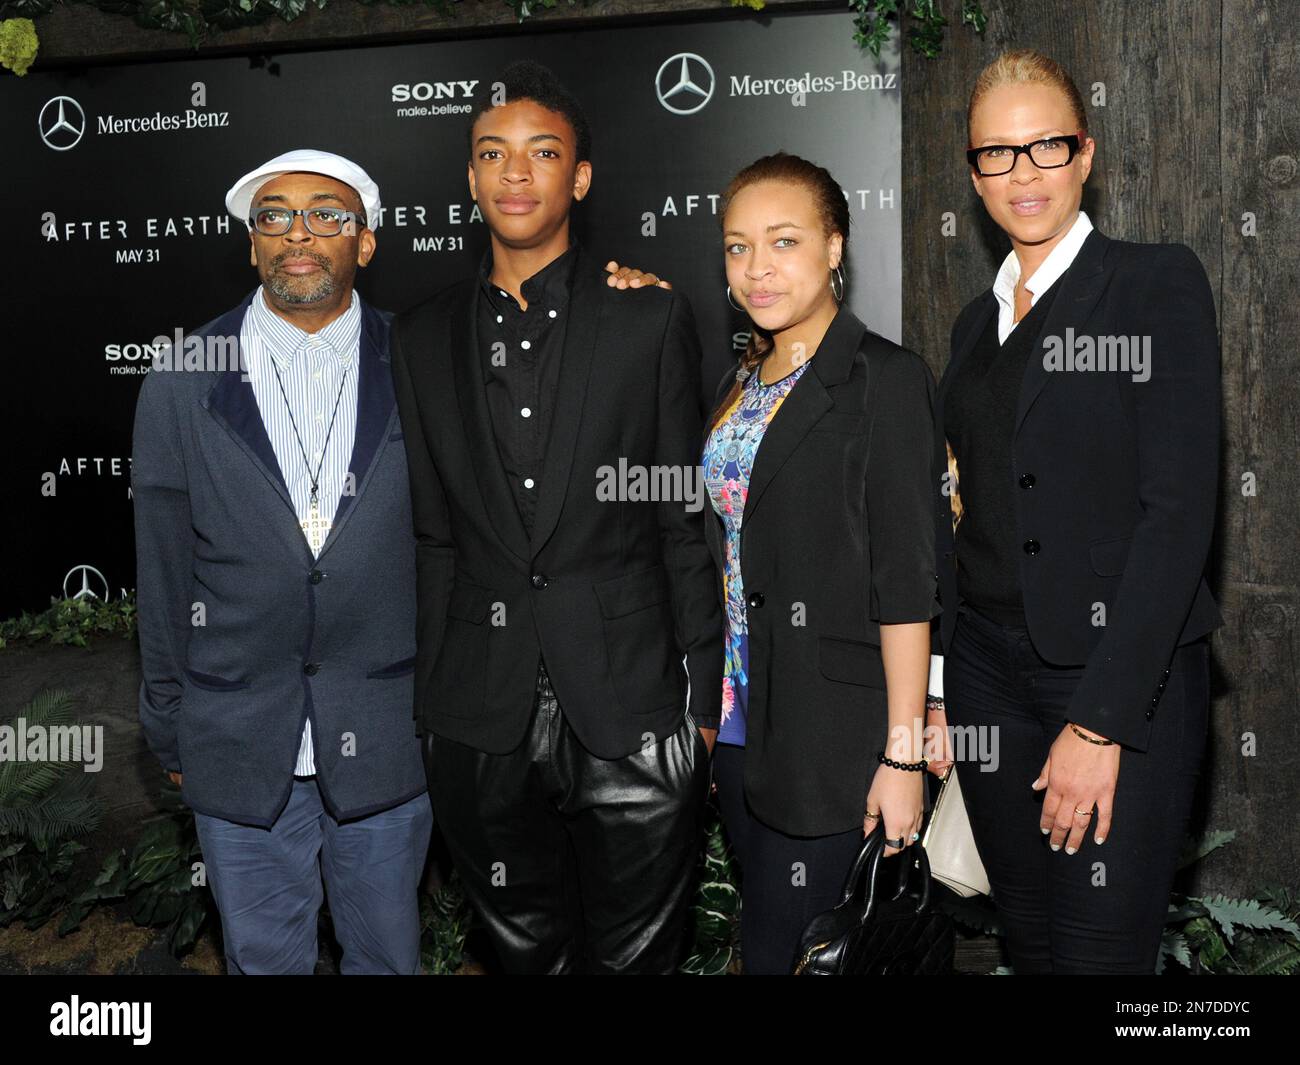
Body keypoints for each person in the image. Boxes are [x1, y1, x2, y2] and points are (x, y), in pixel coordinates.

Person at [389, 61, 722, 974]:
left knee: (640, 960)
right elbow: (432, 535)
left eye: (542, 154)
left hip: (633, 708)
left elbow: (678, 516)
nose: (515, 173)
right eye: (492, 154)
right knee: (519, 956)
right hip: (479, 715)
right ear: (470, 178)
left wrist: (701, 694)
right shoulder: (417, 338)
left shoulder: (647, 318)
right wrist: (433, 709)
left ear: (579, 177)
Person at [927, 49, 1222, 973]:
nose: (1024, 174)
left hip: (1114, 678)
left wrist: (1102, 724)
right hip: (986, 677)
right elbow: (961, 512)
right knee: (1032, 939)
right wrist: (940, 690)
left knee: (1100, 954)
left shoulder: (1153, 283)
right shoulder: (977, 324)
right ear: (973, 177)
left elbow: (1177, 520)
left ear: (1085, 153)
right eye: (997, 155)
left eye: (1046, 146)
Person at [132, 149, 433, 974]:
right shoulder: (179, 376)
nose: (299, 232)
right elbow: (160, 575)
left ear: (364, 243)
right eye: (275, 215)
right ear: (251, 244)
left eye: (327, 215)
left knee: (387, 959)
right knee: (262, 963)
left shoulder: (423, 362)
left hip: (388, 738)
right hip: (234, 740)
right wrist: (168, 717)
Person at [701, 152, 939, 974]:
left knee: (817, 957)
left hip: (838, 739)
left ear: (835, 246)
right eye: (737, 246)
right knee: (771, 945)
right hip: (739, 730)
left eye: (784, 241)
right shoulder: (741, 378)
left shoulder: (885, 380)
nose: (756, 268)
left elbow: (907, 584)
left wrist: (902, 754)